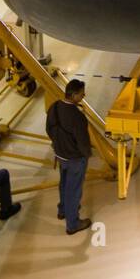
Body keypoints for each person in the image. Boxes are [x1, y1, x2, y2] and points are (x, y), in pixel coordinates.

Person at [45, 79, 92, 234]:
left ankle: (63, 210)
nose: (84, 95)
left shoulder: (55, 107)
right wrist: (86, 155)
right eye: (81, 93)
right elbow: (83, 142)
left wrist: (58, 145)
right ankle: (72, 224)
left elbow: (49, 130)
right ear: (73, 95)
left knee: (64, 183)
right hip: (75, 159)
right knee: (74, 190)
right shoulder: (77, 117)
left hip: (61, 155)